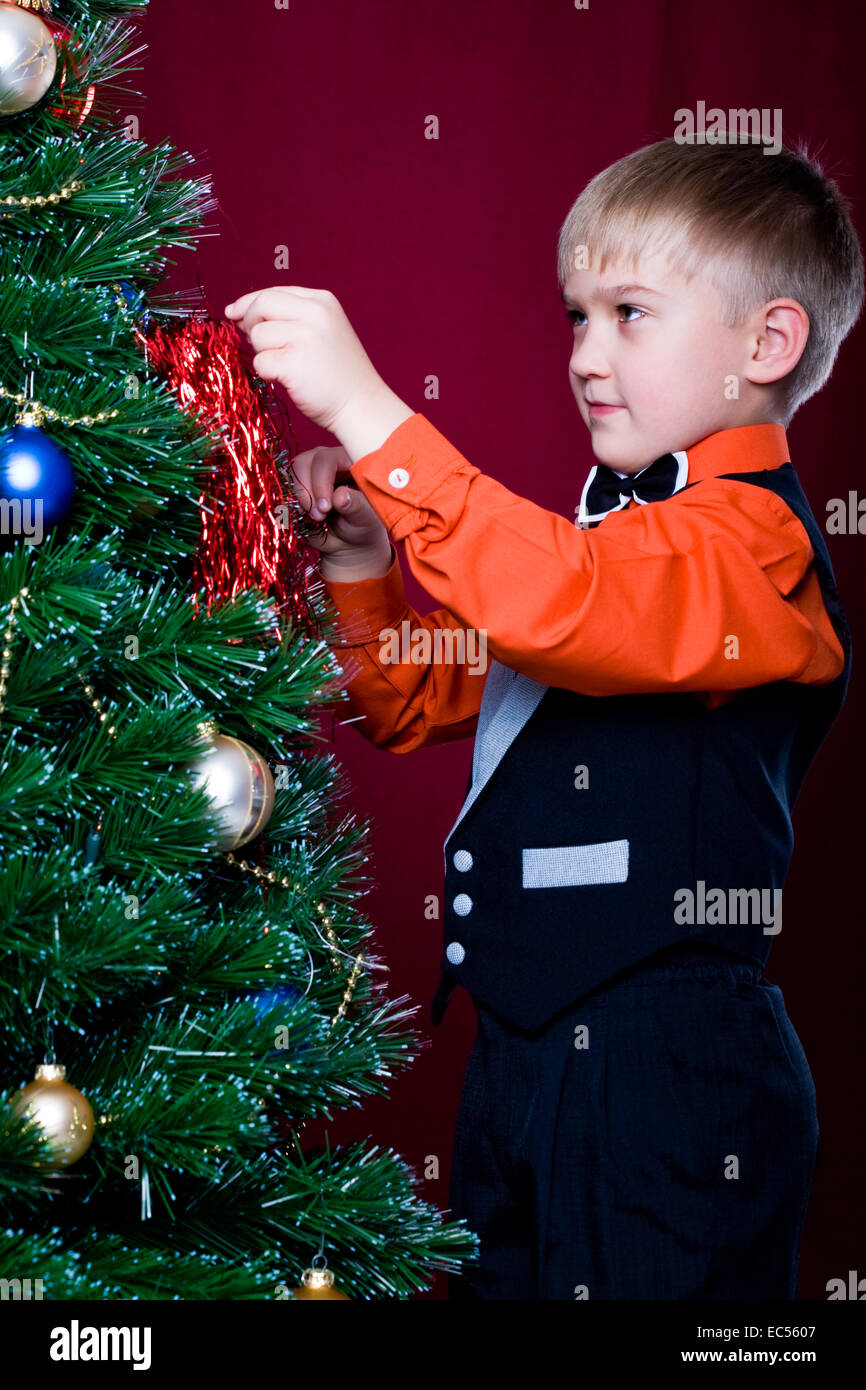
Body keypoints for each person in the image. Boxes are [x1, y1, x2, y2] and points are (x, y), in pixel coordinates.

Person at [225, 134, 863, 1299]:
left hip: (667, 1074)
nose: (583, 354)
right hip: (519, 1063)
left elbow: (562, 603)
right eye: (575, 316)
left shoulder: (750, 550)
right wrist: (367, 568)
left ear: (765, 344)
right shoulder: (606, 549)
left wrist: (370, 411)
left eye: (628, 313)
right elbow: (415, 702)